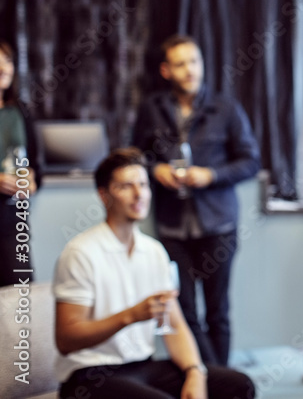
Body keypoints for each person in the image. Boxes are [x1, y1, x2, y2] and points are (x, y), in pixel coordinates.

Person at [53, 148, 255, 399]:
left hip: (143, 365)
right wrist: (131, 316)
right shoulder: (80, 253)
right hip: (89, 375)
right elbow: (66, 339)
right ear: (104, 195)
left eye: (143, 185)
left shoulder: (154, 251)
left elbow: (175, 324)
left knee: (239, 385)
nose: (139, 194)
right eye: (126, 186)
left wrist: (195, 373)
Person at [132, 35, 261, 366]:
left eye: (194, 61)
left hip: (218, 223)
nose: (189, 70)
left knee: (218, 312)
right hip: (173, 226)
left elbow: (250, 161)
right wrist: (154, 167)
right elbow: (134, 156)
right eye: (180, 63)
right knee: (184, 311)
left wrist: (211, 175)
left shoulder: (226, 108)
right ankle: (205, 378)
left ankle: (220, 383)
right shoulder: (152, 109)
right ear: (165, 70)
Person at [0, 39, 42, 287]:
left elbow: (34, 162)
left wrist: (32, 179)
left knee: (21, 295)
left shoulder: (20, 111)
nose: (3, 68)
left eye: (7, 61)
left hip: (13, 218)